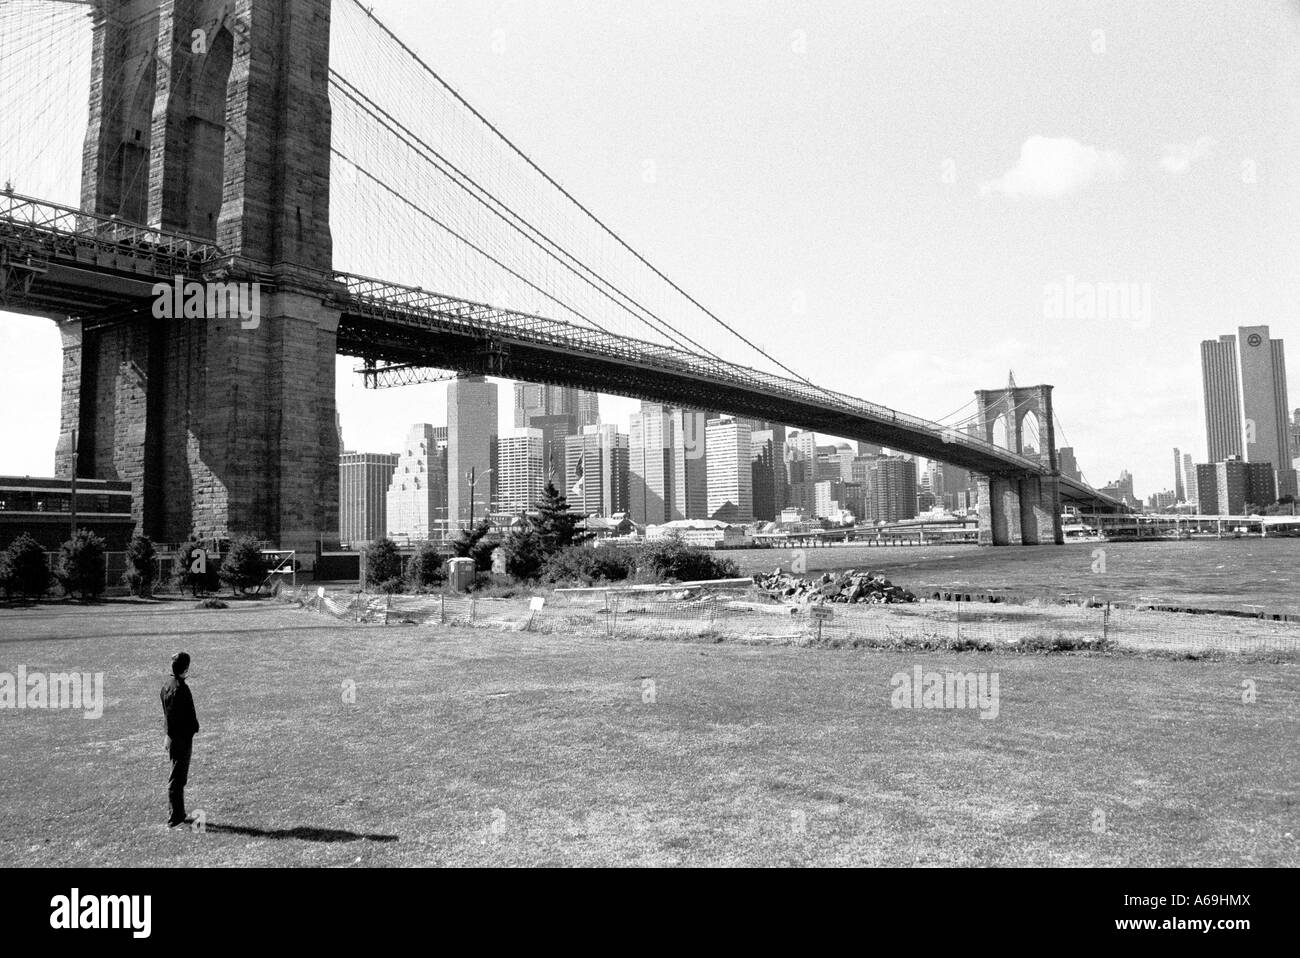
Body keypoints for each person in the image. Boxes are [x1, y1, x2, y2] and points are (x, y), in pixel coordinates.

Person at [160, 652, 200, 828]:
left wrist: (168, 734)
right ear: (184, 669)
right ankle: (175, 817)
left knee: (178, 776)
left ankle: (179, 812)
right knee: (178, 777)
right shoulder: (181, 689)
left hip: (177, 736)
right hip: (181, 738)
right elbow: (175, 716)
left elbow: (168, 713)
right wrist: (170, 735)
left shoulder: (167, 685)